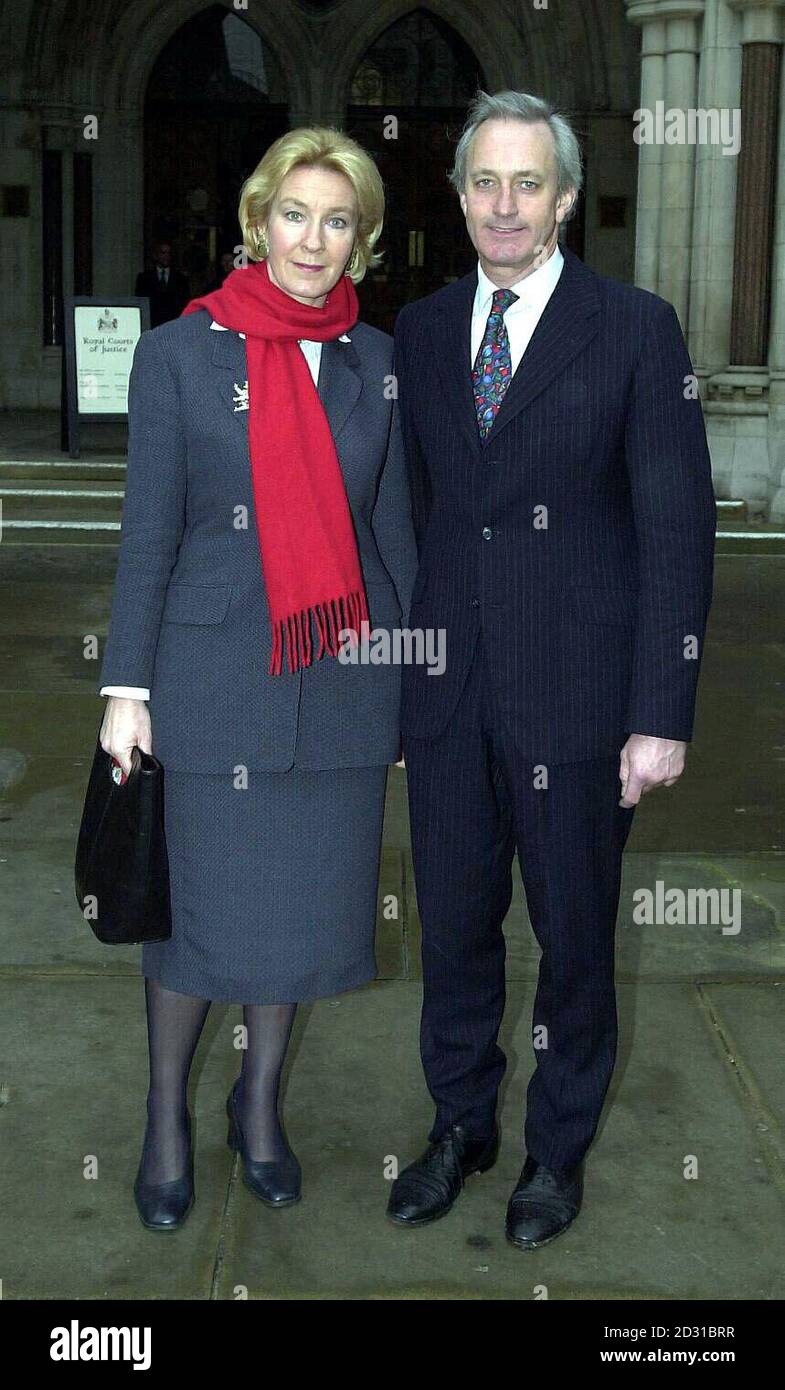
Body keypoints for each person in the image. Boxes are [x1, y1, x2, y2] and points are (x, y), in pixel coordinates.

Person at [388, 90, 716, 1249]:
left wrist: (657, 713)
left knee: (573, 942)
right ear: (459, 195)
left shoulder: (634, 329)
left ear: (565, 198)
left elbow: (676, 532)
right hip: (449, 699)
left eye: (528, 183)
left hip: (578, 704)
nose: (504, 204)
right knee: (454, 933)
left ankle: (552, 1155)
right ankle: (456, 1126)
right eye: (484, 181)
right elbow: (425, 519)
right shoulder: (423, 333)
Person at [99, 127, 417, 1230]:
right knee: (196, 925)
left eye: (338, 220)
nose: (312, 239)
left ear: (362, 240)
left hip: (339, 687)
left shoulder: (381, 365)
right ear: (256, 220)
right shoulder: (180, 356)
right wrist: (124, 687)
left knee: (298, 919)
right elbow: (147, 535)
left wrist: (405, 680)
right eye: (295, 213)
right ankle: (162, 1119)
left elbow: (394, 539)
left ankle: (259, 1106)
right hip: (208, 680)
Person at [135, 240, 190, 326]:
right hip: (152, 324)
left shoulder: (181, 279)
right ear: (156, 255)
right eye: (163, 253)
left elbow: (184, 303)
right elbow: (141, 301)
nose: (166, 256)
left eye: (168, 253)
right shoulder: (144, 278)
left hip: (174, 325)